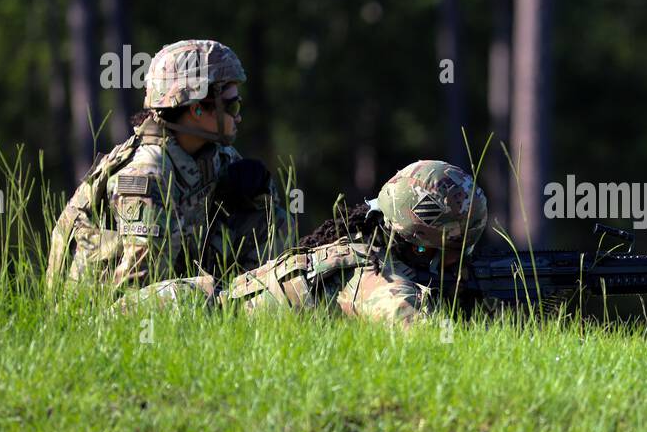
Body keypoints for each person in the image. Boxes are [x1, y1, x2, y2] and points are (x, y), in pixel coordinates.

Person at [46, 39, 291, 300]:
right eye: (232, 106)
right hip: (104, 311)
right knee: (188, 295)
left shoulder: (214, 155)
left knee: (267, 216)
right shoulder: (145, 176)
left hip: (166, 289)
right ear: (196, 108)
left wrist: (260, 198)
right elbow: (137, 291)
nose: (238, 116)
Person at [212, 159, 488, 325]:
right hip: (192, 307)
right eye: (459, 250)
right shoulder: (379, 279)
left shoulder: (370, 243)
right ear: (422, 245)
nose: (463, 261)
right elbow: (433, 346)